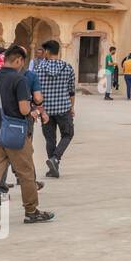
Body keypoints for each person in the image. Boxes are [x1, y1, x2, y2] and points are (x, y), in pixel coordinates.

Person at [0, 46, 54, 227]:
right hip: (15, 135)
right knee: (26, 173)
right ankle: (31, 211)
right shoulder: (19, 79)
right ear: (19, 60)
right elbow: (23, 109)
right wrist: (33, 111)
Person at [32, 39, 76, 178]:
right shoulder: (68, 67)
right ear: (59, 51)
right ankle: (55, 159)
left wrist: (38, 108)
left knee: (50, 139)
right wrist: (72, 107)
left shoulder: (38, 69)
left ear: (47, 52)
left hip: (45, 110)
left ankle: (53, 166)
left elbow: (35, 92)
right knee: (68, 134)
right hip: (63, 108)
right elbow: (71, 91)